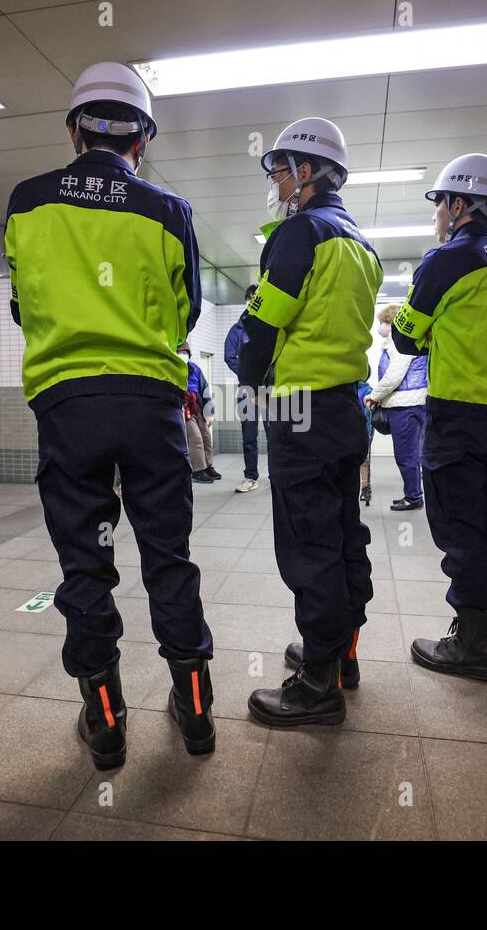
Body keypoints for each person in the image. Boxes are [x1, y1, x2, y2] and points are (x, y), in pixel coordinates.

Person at [5, 62, 215, 767]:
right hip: (151, 400)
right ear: (144, 138)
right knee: (168, 555)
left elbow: (22, 303)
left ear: (73, 131)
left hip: (67, 405)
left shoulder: (27, 202)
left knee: (84, 565)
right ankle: (195, 707)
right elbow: (186, 309)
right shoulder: (168, 210)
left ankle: (104, 718)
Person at [239, 117, 380, 723]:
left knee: (309, 543)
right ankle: (339, 655)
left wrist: (243, 362)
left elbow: (264, 326)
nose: (275, 179)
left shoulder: (301, 233)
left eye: (280, 168)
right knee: (343, 531)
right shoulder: (361, 244)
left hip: (301, 410)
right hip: (346, 407)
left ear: (306, 171)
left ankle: (318, 687)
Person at [393, 153, 487, 679]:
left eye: (438, 205)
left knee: (459, 529)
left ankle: (470, 645)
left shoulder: (445, 260)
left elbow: (405, 334)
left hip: (455, 418)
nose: (435, 216)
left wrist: (428, 331)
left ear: (456, 203)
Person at [365, 304, 428, 511]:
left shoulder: (401, 343)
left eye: (382, 322)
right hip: (411, 404)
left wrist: (374, 396)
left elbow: (394, 376)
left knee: (406, 454)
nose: (380, 327)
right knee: (412, 452)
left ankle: (413, 497)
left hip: (405, 406)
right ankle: (413, 494)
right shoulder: (404, 342)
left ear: (392, 323)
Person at [225, 284, 269, 492]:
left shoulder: (272, 325)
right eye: (250, 298)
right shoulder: (238, 328)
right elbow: (228, 356)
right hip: (247, 391)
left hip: (270, 389)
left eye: (256, 298)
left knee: (276, 433)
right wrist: (248, 377)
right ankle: (250, 477)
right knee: (249, 435)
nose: (253, 301)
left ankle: (278, 473)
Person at [179, 340, 220, 483]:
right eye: (179, 352)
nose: (182, 355)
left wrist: (209, 412)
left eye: (184, 352)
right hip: (184, 408)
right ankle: (198, 470)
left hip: (198, 407)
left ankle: (208, 466)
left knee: (206, 437)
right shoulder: (173, 368)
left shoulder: (195, 368)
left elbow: (205, 389)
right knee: (195, 438)